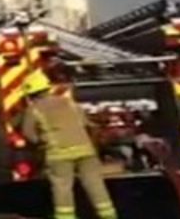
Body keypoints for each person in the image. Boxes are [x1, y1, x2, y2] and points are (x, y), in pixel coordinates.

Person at [21, 70, 118, 219]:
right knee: (95, 184)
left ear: (31, 93)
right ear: (47, 88)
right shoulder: (68, 102)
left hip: (59, 154)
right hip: (86, 150)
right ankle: (108, 215)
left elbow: (28, 133)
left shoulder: (33, 109)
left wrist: (40, 142)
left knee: (62, 188)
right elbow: (85, 122)